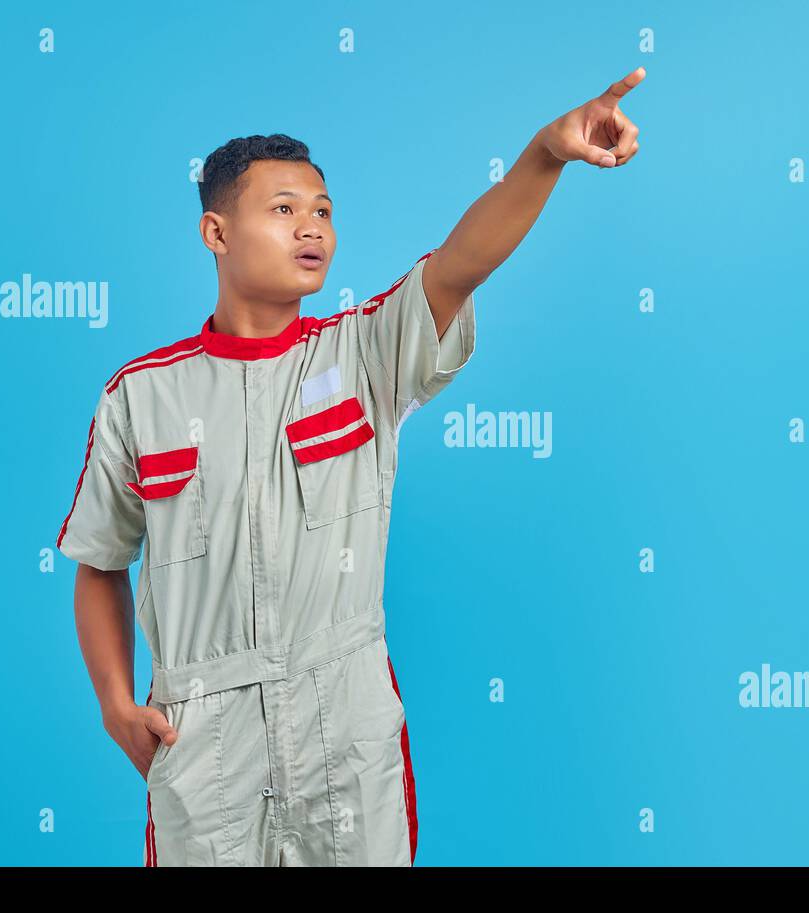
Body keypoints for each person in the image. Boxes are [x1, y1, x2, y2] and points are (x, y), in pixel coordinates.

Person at [55, 67, 646, 867]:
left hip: (345, 724)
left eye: (324, 211)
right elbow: (99, 562)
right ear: (216, 233)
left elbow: (461, 263)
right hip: (205, 742)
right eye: (285, 209)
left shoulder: (365, 353)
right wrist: (114, 706)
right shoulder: (142, 396)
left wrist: (546, 154)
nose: (314, 228)